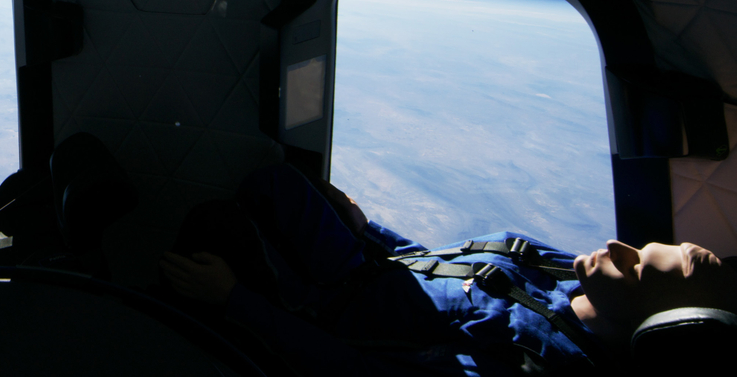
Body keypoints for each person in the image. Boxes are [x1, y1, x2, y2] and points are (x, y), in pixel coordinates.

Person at [159, 163, 737, 376]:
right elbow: (455, 271)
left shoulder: (526, 361)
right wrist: (372, 232)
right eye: (640, 246)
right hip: (370, 266)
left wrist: (235, 299)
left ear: (643, 322)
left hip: (328, 313)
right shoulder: (566, 274)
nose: (616, 245)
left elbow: (360, 371)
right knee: (276, 179)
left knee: (215, 230)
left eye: (635, 268)